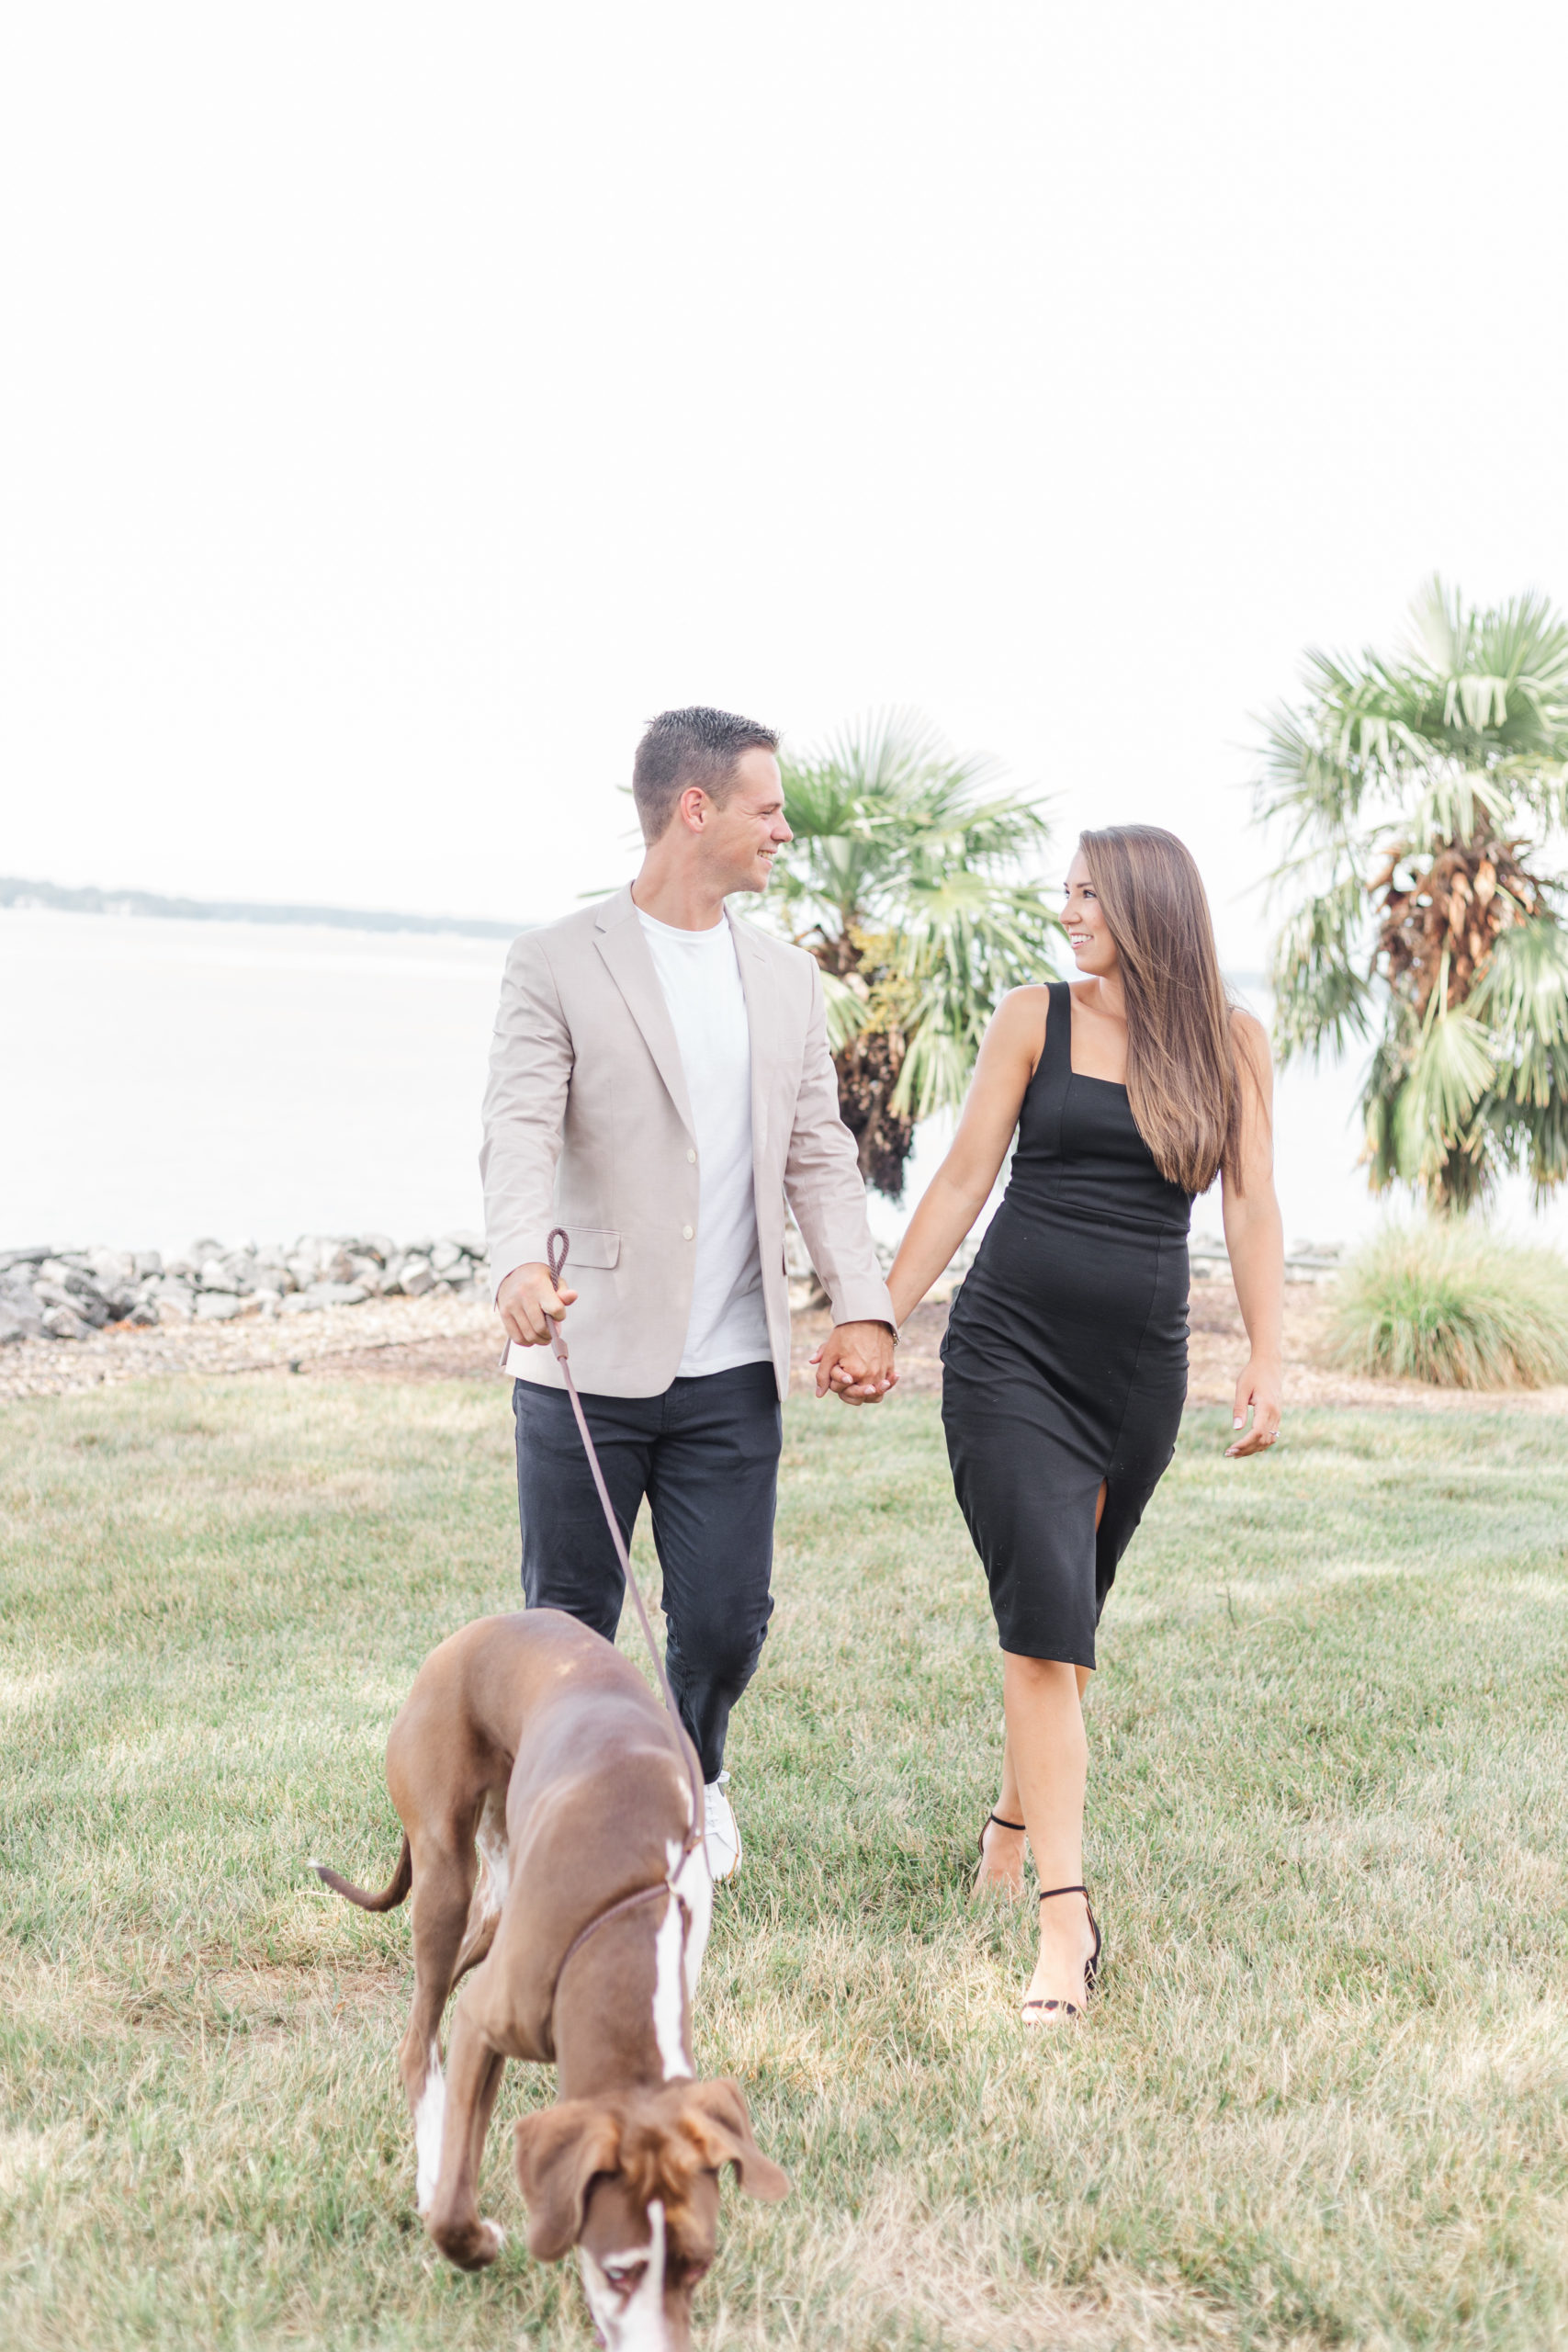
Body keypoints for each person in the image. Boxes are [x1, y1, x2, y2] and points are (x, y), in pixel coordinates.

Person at [480, 706, 897, 1883]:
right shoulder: (557, 960)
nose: (786, 828)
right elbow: (516, 1127)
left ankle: (690, 1780)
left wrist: (860, 1304)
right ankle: (537, 1824)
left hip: (734, 1364)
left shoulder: (786, 978)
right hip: (586, 1355)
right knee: (564, 1624)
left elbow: (819, 1151)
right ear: (695, 809)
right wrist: (517, 1259)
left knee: (723, 1621)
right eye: (769, 807)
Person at [885, 825, 1284, 2021]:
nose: (1066, 914)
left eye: (1085, 897)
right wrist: (875, 1315)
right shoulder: (1032, 1018)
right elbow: (960, 1177)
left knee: (1065, 1618)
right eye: (1061, 896)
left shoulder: (1230, 1044)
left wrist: (1266, 1356)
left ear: (1146, 906)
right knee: (1042, 1625)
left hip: (1134, 1378)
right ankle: (1066, 1925)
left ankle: (1011, 1820)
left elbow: (1254, 1209)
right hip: (1006, 1354)